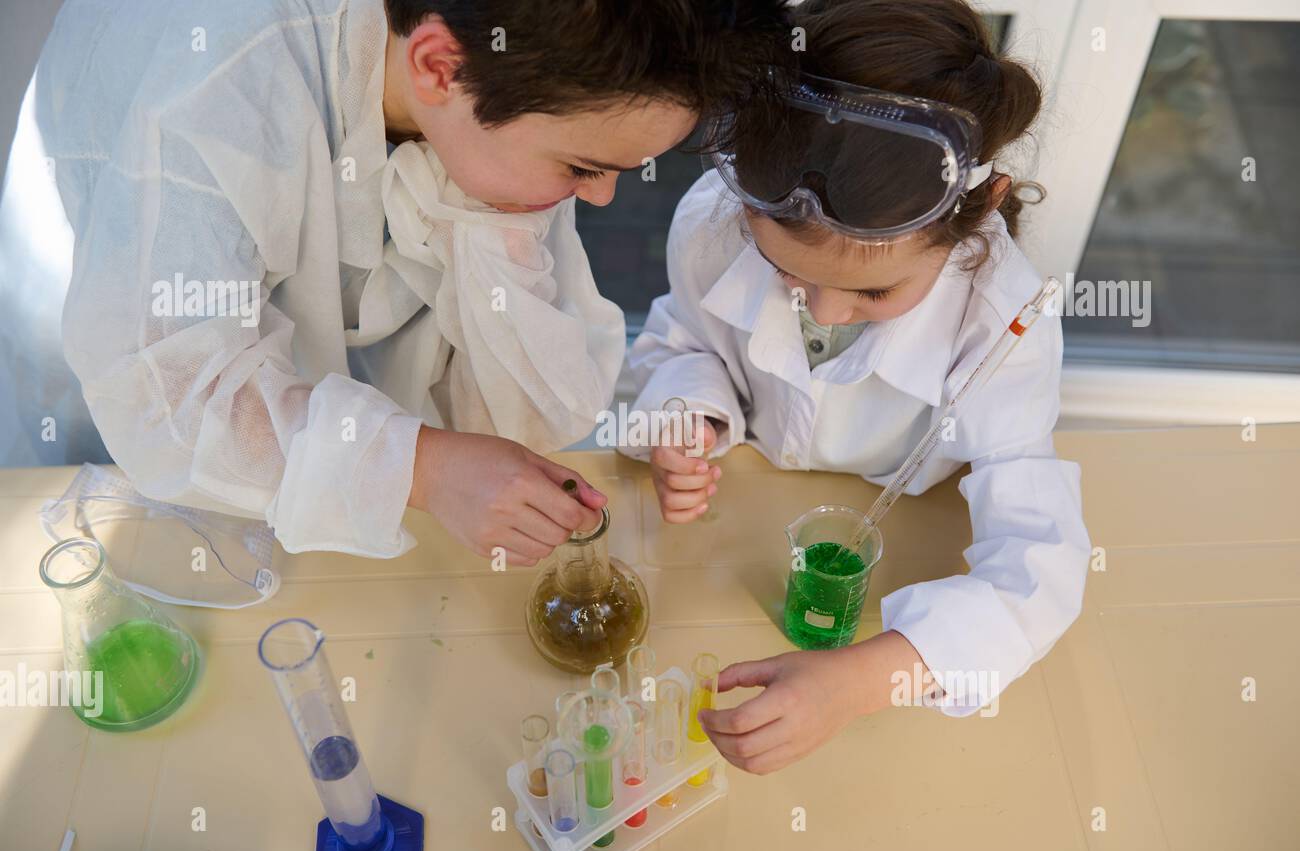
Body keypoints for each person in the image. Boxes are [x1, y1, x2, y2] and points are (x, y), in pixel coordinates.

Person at [0, 0, 789, 565]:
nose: (604, 197)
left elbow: (531, 380)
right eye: (583, 168)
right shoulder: (213, 86)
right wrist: (420, 467)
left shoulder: (507, 70)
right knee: (147, 554)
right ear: (439, 66)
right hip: (125, 287)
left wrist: (423, 458)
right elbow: (169, 393)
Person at [623, 0, 1091, 771]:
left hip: (907, 529)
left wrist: (869, 679)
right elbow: (682, 338)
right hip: (744, 515)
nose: (821, 307)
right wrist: (692, 414)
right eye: (785, 272)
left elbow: (1042, 568)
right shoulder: (715, 222)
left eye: (872, 295)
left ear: (982, 210)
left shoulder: (1003, 318)